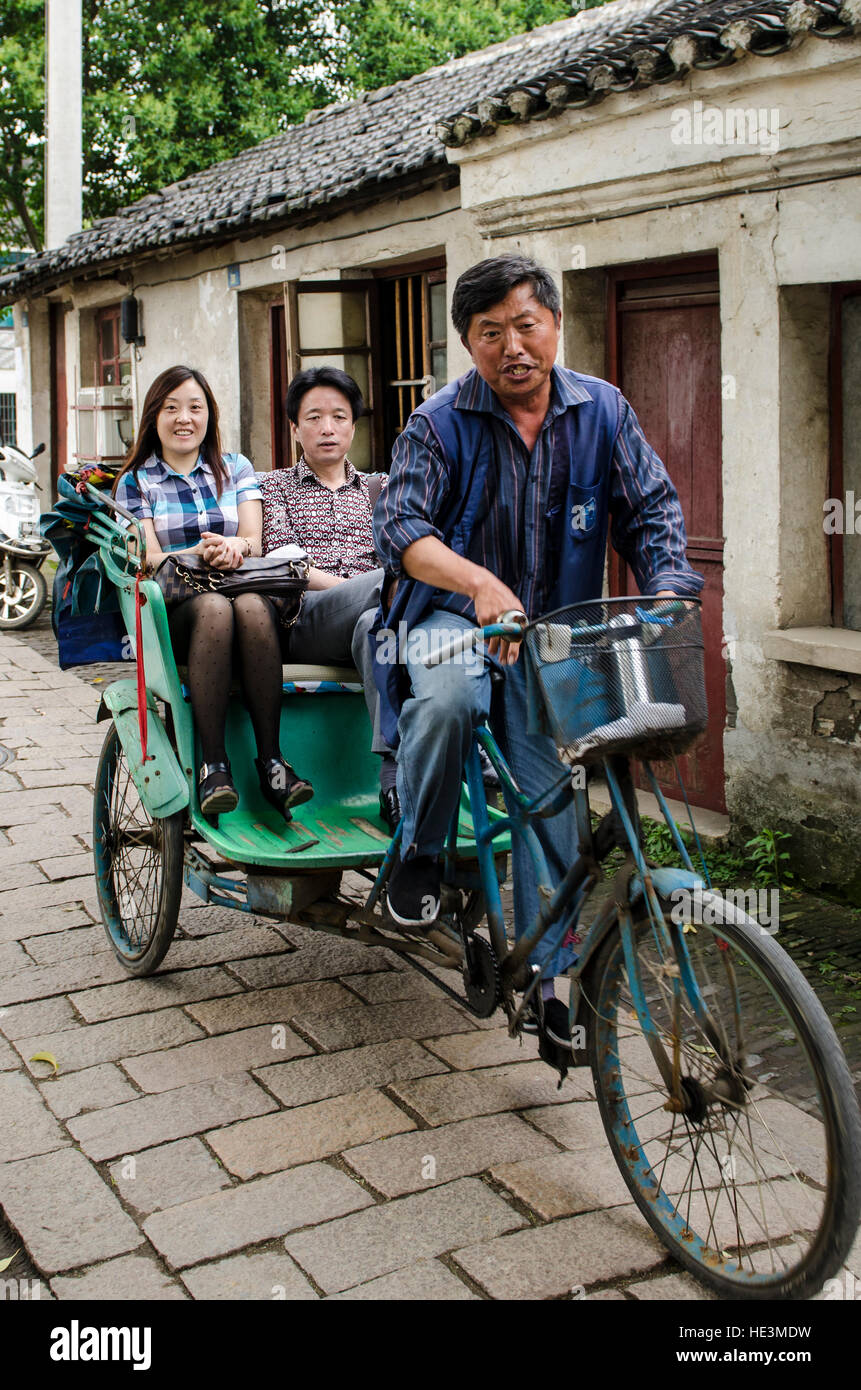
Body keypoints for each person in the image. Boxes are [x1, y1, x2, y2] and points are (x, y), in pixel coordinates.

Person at [372, 254, 704, 1050]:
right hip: (448, 618)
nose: (512, 346)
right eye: (491, 333)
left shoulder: (603, 412)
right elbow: (402, 531)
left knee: (552, 797)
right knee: (447, 700)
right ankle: (417, 849)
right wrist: (478, 583)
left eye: (526, 325)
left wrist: (667, 589)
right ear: (468, 344)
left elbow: (651, 510)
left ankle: (552, 985)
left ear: (554, 325)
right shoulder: (439, 423)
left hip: (549, 636)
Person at [113, 364, 312, 820]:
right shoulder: (136, 481)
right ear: (154, 417)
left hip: (240, 590)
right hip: (177, 611)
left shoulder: (235, 467)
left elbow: (254, 541)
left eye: (195, 408)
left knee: (250, 606)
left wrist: (234, 547)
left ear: (209, 416)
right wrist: (203, 555)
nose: (184, 418)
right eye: (171, 408)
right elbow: (150, 556)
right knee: (215, 608)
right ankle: (212, 765)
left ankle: (272, 763)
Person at [259, 366, 400, 830]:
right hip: (305, 623)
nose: (327, 428)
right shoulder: (272, 488)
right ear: (295, 428)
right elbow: (287, 566)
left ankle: (393, 782)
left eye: (339, 417)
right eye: (314, 417)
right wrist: (361, 588)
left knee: (374, 626)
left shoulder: (380, 489)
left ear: (353, 426)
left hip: (373, 619)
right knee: (398, 585)